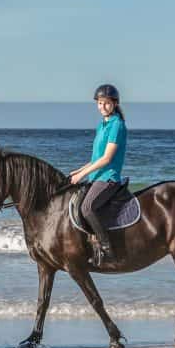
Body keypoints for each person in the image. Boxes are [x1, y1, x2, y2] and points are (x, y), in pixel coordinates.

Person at [68, 83, 128, 265]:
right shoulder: (102, 125)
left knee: (87, 207)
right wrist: (79, 170)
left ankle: (107, 249)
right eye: (100, 103)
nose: (102, 107)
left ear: (115, 103)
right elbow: (96, 158)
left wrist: (82, 175)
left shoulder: (117, 125)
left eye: (106, 103)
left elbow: (107, 159)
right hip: (96, 176)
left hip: (108, 177)